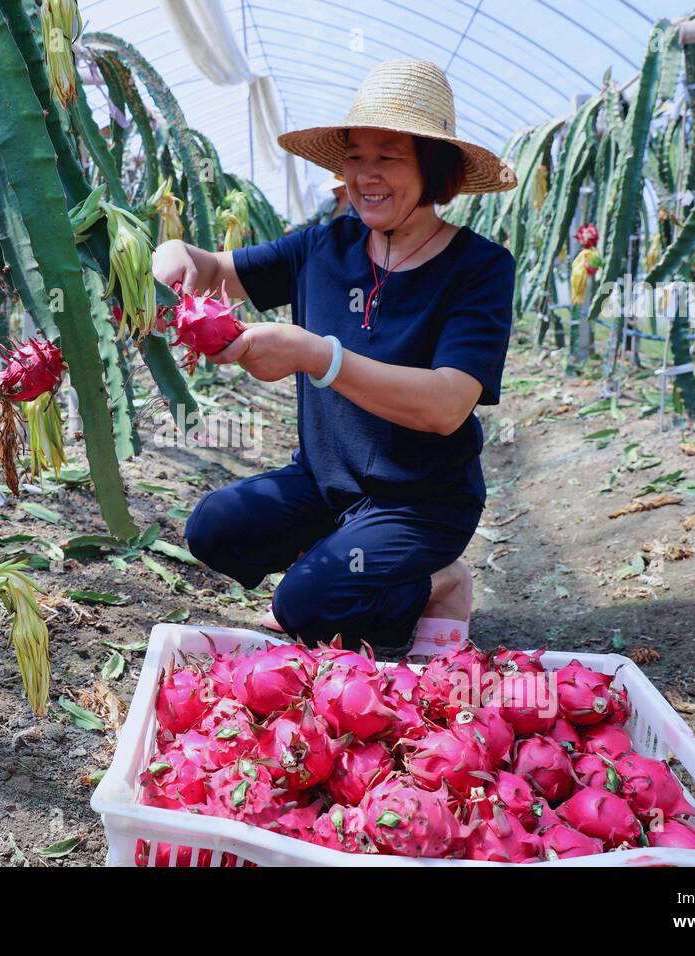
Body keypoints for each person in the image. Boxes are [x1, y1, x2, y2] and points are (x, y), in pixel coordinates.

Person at [153, 59, 516, 659]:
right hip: (324, 483)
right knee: (215, 528)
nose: (366, 175)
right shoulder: (322, 247)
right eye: (354, 156)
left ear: (435, 166)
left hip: (422, 501)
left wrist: (317, 357)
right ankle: (342, 567)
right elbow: (216, 269)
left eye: (389, 156)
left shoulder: (477, 268)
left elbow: (449, 405)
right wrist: (176, 254)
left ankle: (437, 580)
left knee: (306, 609)